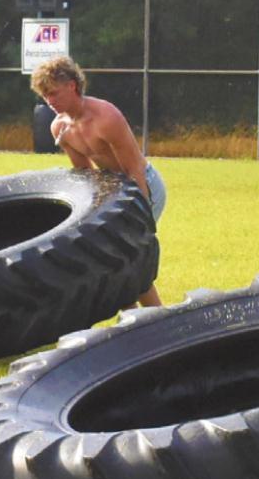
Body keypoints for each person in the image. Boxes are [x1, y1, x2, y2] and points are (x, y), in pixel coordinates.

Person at [31, 55, 163, 307]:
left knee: (125, 256)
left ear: (72, 85)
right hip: (111, 191)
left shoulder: (106, 117)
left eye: (54, 93)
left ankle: (155, 317)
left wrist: (140, 216)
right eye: (45, 96)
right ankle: (132, 320)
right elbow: (86, 175)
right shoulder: (59, 128)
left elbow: (133, 167)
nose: (50, 101)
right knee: (109, 260)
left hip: (141, 186)